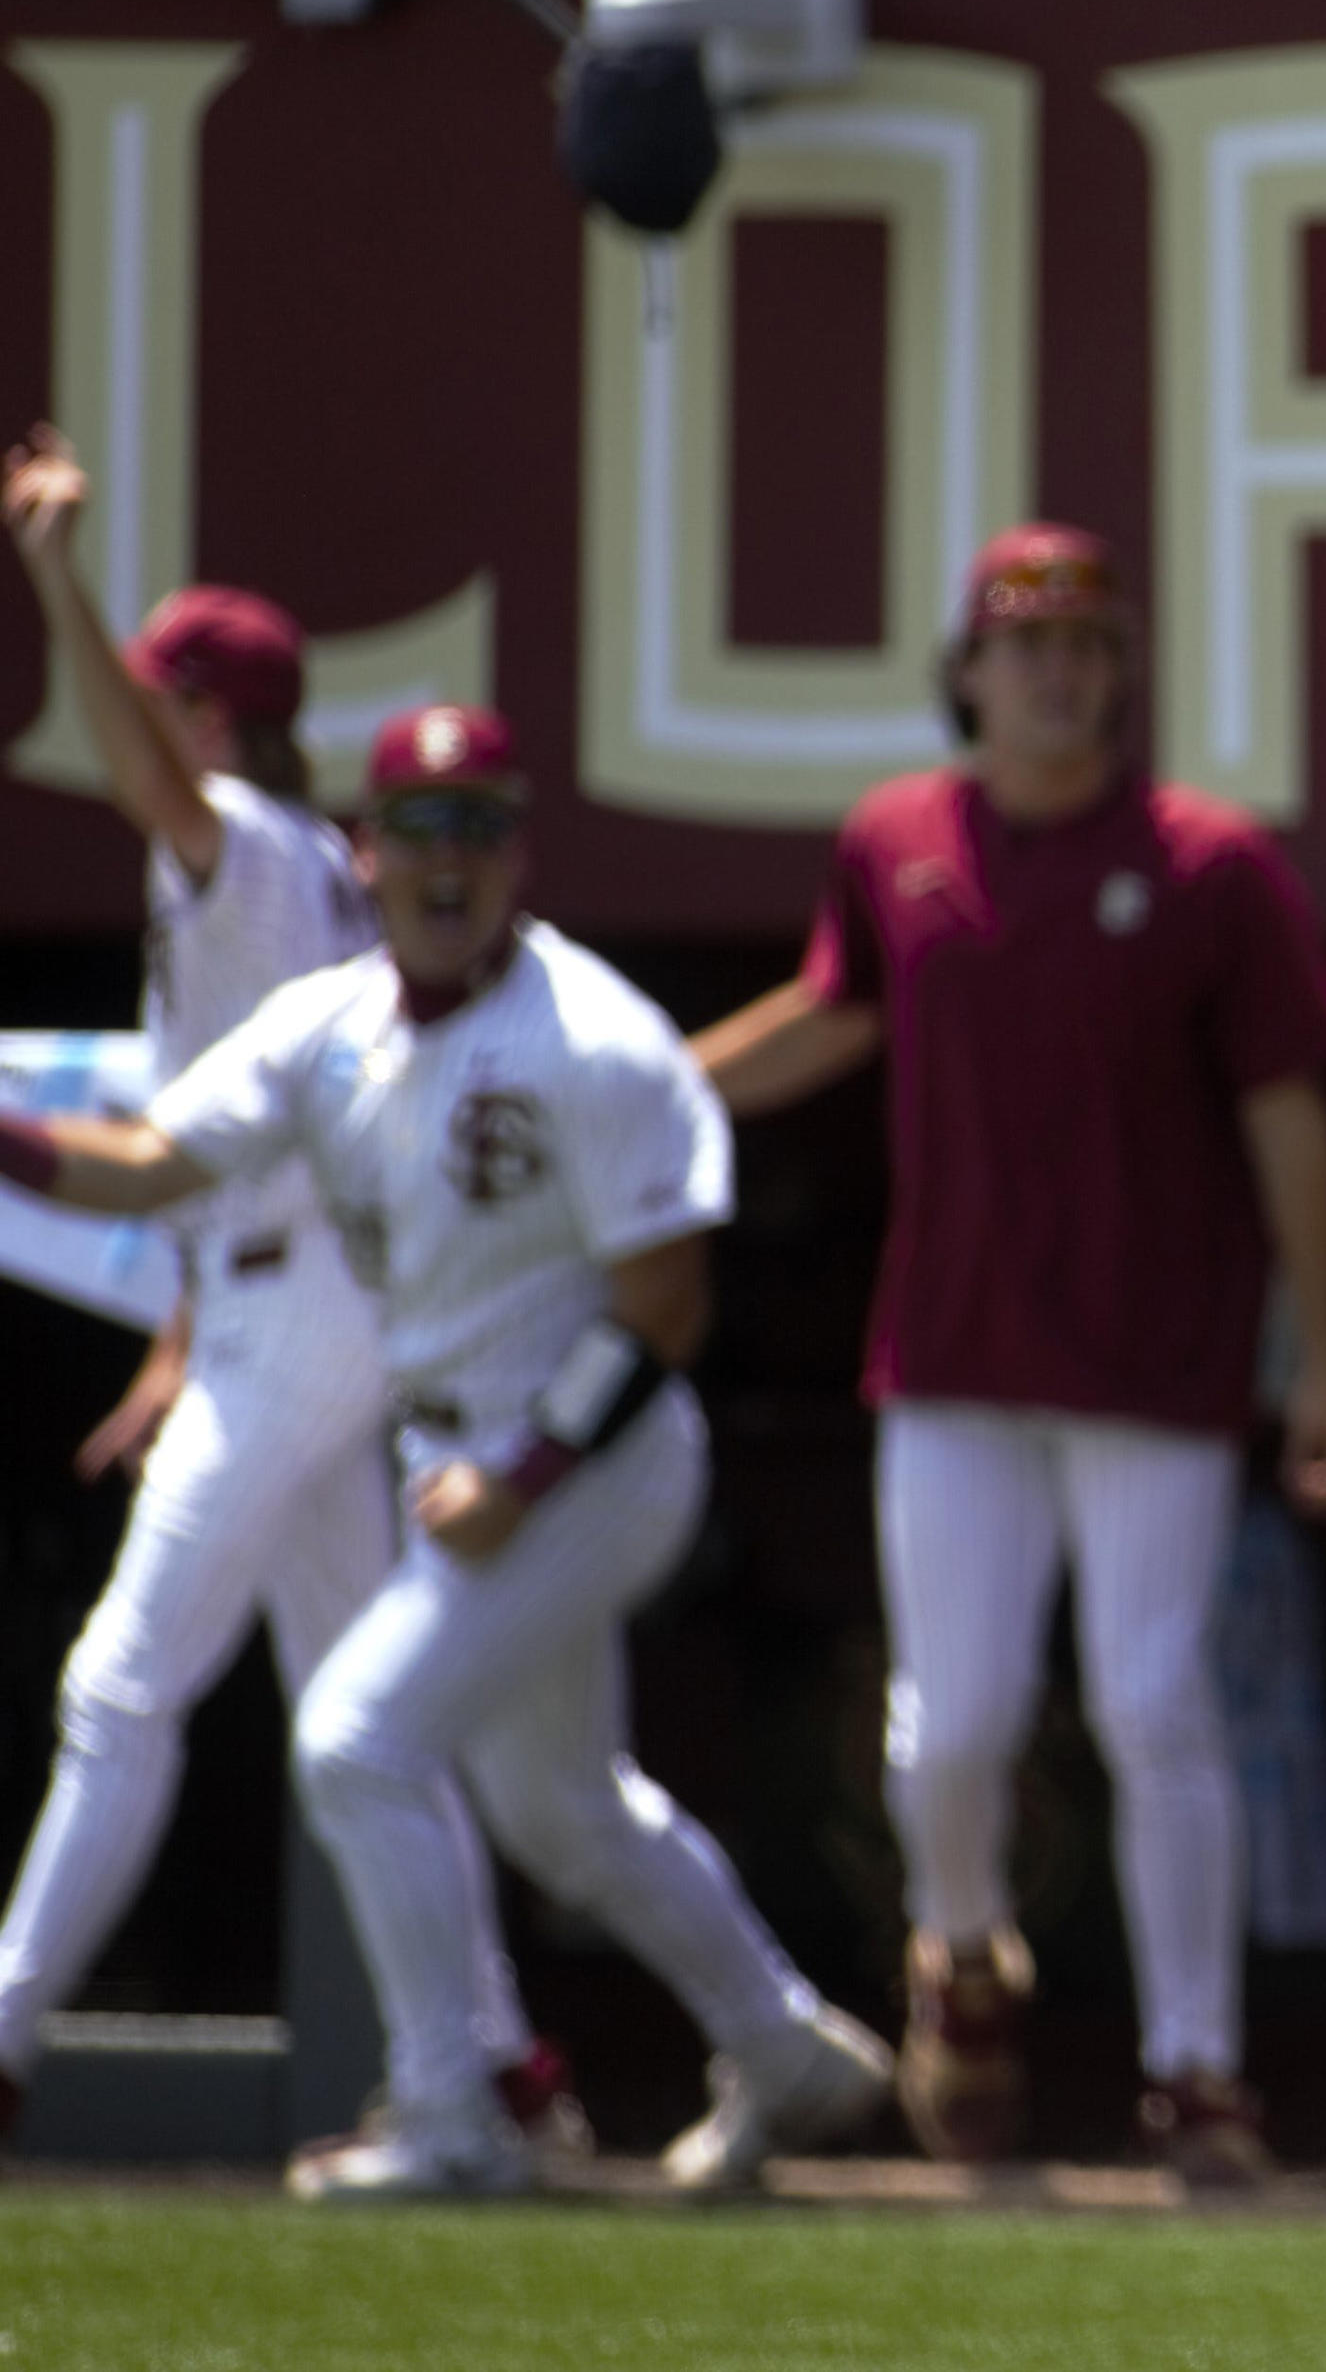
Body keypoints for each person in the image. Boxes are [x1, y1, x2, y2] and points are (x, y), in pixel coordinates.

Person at [0, 705, 891, 2200]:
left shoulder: (593, 1039)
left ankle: (447, 2110)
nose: (448, 858)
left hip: (593, 1461)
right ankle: (783, 2044)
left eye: (479, 824)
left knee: (354, 1737)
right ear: (367, 850)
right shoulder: (327, 1023)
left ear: (520, 848)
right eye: (419, 825)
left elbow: (668, 1309)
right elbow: (150, 1162)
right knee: (564, 1806)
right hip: (464, 1458)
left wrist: (525, 1475)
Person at [691, 525, 1326, 2182]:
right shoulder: (896, 841)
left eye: (1085, 642)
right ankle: (962, 1959)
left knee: (1154, 1704)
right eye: (1023, 642)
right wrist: (635, 1089)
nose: (1057, 672)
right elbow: (827, 1012)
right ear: (968, 670)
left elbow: (1291, 1118)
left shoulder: (1213, 863)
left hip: (1159, 1363)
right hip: (951, 1355)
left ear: (1120, 670)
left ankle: (1197, 2073)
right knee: (954, 1720)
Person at [0, 431, 570, 2158]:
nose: (128, 726)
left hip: (303, 1306)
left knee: (121, 1686)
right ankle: (495, 2053)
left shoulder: (241, 837)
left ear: (214, 717)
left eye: (157, 697)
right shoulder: (289, 872)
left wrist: (54, 580)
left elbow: (162, 789)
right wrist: (183, 1336)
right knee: (362, 1712)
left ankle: (3, 2026)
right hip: (298, 1298)